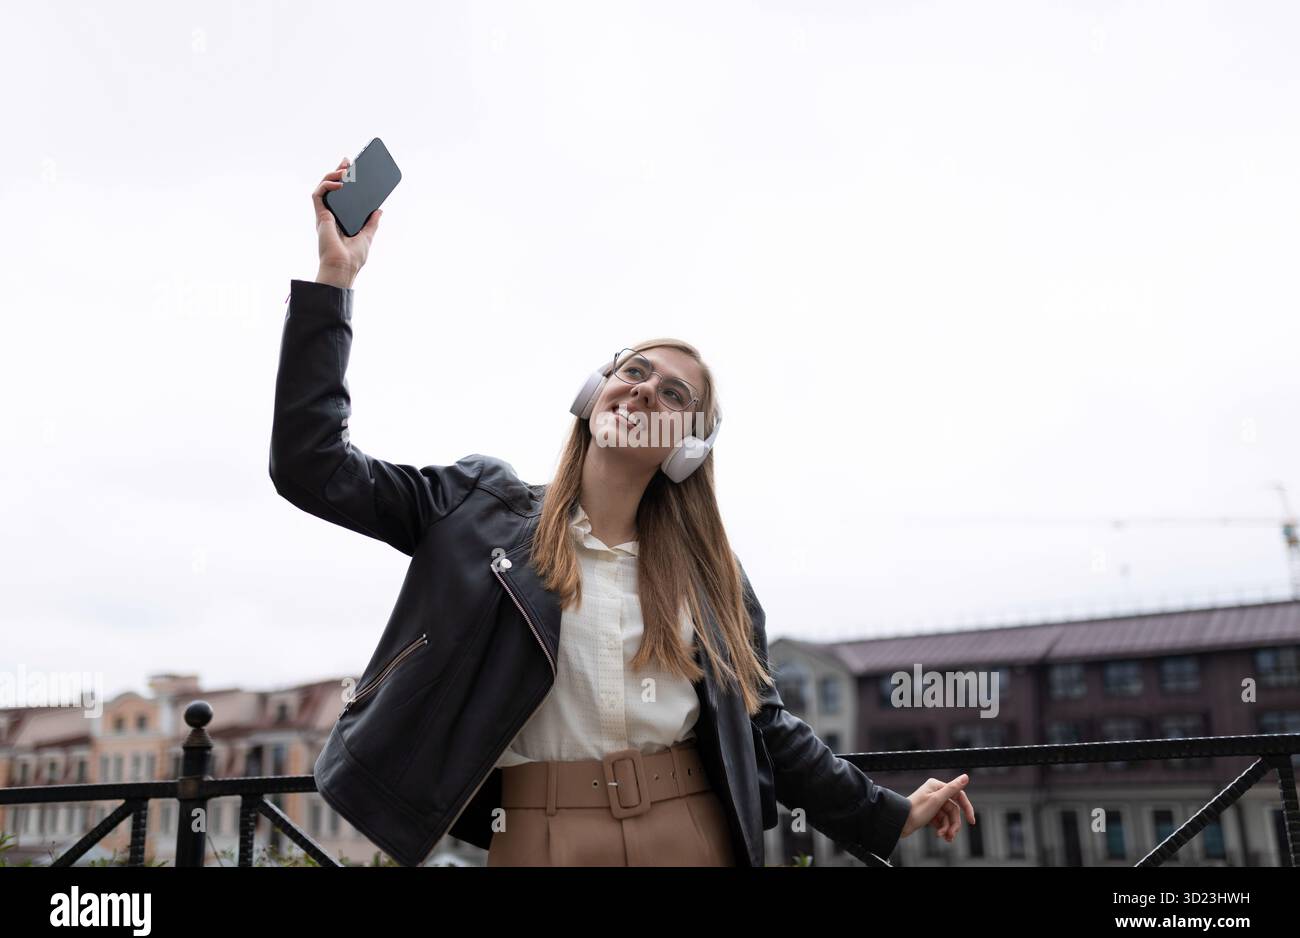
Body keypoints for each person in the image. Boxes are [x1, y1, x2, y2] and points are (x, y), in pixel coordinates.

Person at [273, 157, 976, 867]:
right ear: (595, 393)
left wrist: (883, 814)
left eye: (674, 395)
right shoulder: (476, 507)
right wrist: (336, 280)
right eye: (633, 372)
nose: (644, 392)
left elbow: (766, 725)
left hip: (691, 824)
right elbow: (313, 467)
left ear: (689, 450)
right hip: (540, 830)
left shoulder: (713, 577)